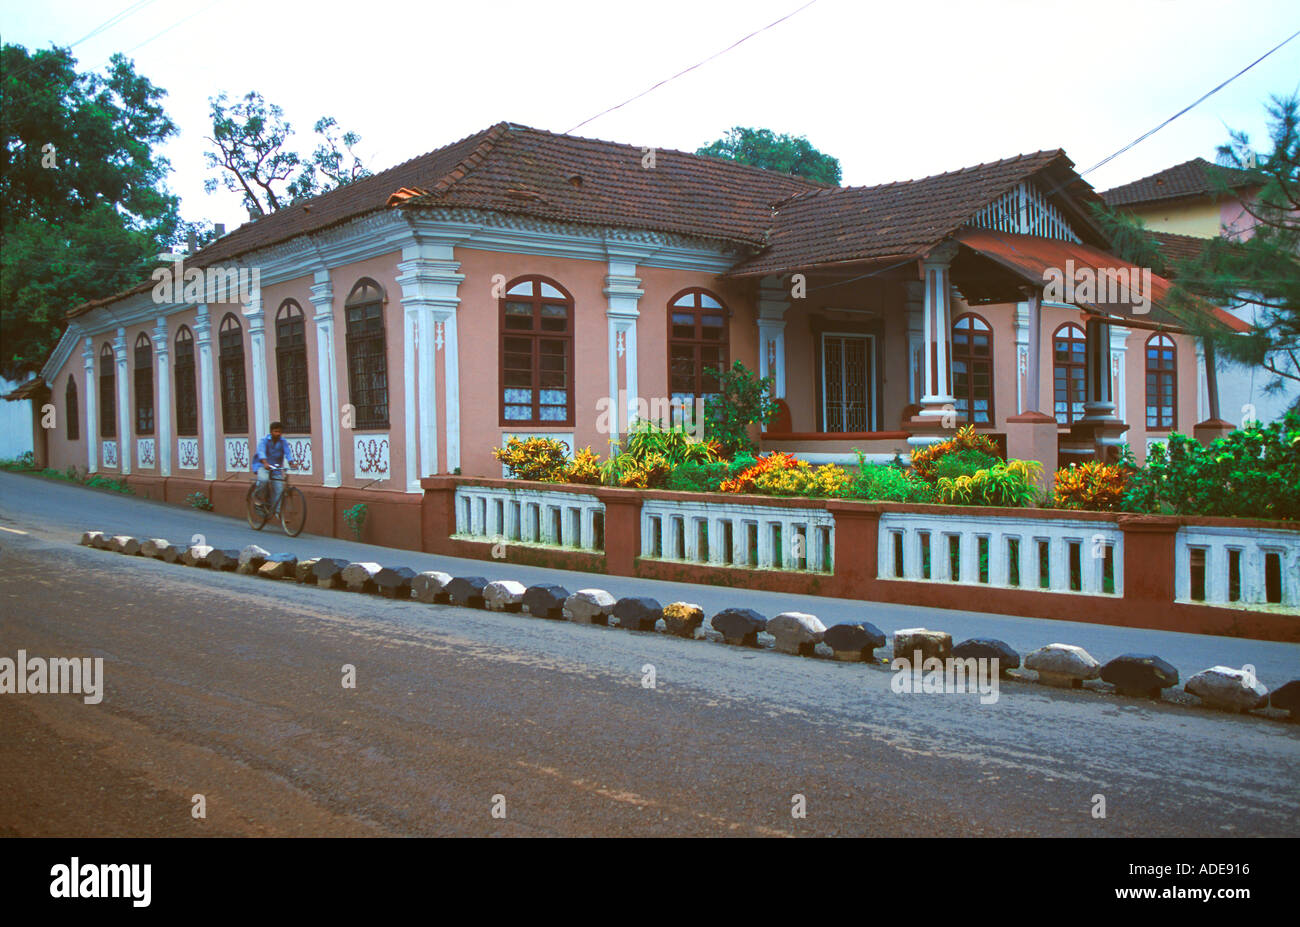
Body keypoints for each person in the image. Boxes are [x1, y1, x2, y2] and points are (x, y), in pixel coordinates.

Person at [252, 422, 294, 513]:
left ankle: (278, 513)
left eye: (279, 432)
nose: (278, 434)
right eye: (276, 431)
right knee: (263, 480)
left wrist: (291, 462)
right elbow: (261, 452)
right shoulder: (264, 441)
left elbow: (288, 452)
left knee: (279, 490)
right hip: (263, 466)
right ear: (271, 432)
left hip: (276, 468)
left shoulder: (283, 441)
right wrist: (265, 462)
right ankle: (257, 497)